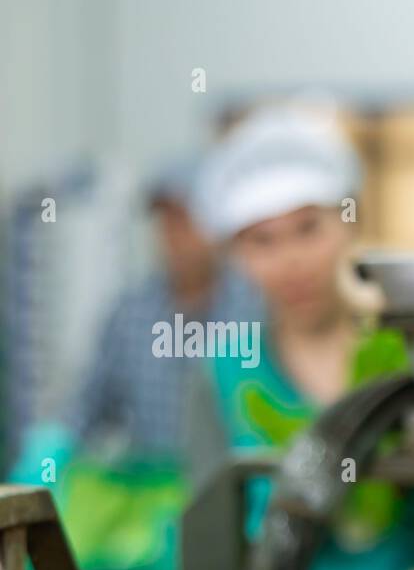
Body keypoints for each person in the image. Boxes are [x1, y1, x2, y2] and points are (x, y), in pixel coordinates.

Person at [194, 104, 414, 570]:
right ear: (238, 257)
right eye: (262, 241)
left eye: (309, 229)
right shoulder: (227, 372)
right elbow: (211, 534)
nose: (290, 260)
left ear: (351, 220)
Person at [8, 159, 259, 480]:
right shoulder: (131, 313)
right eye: (165, 221)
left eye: (185, 220)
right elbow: (87, 405)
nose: (174, 236)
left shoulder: (254, 307)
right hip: (153, 497)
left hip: (237, 488)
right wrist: (51, 449)